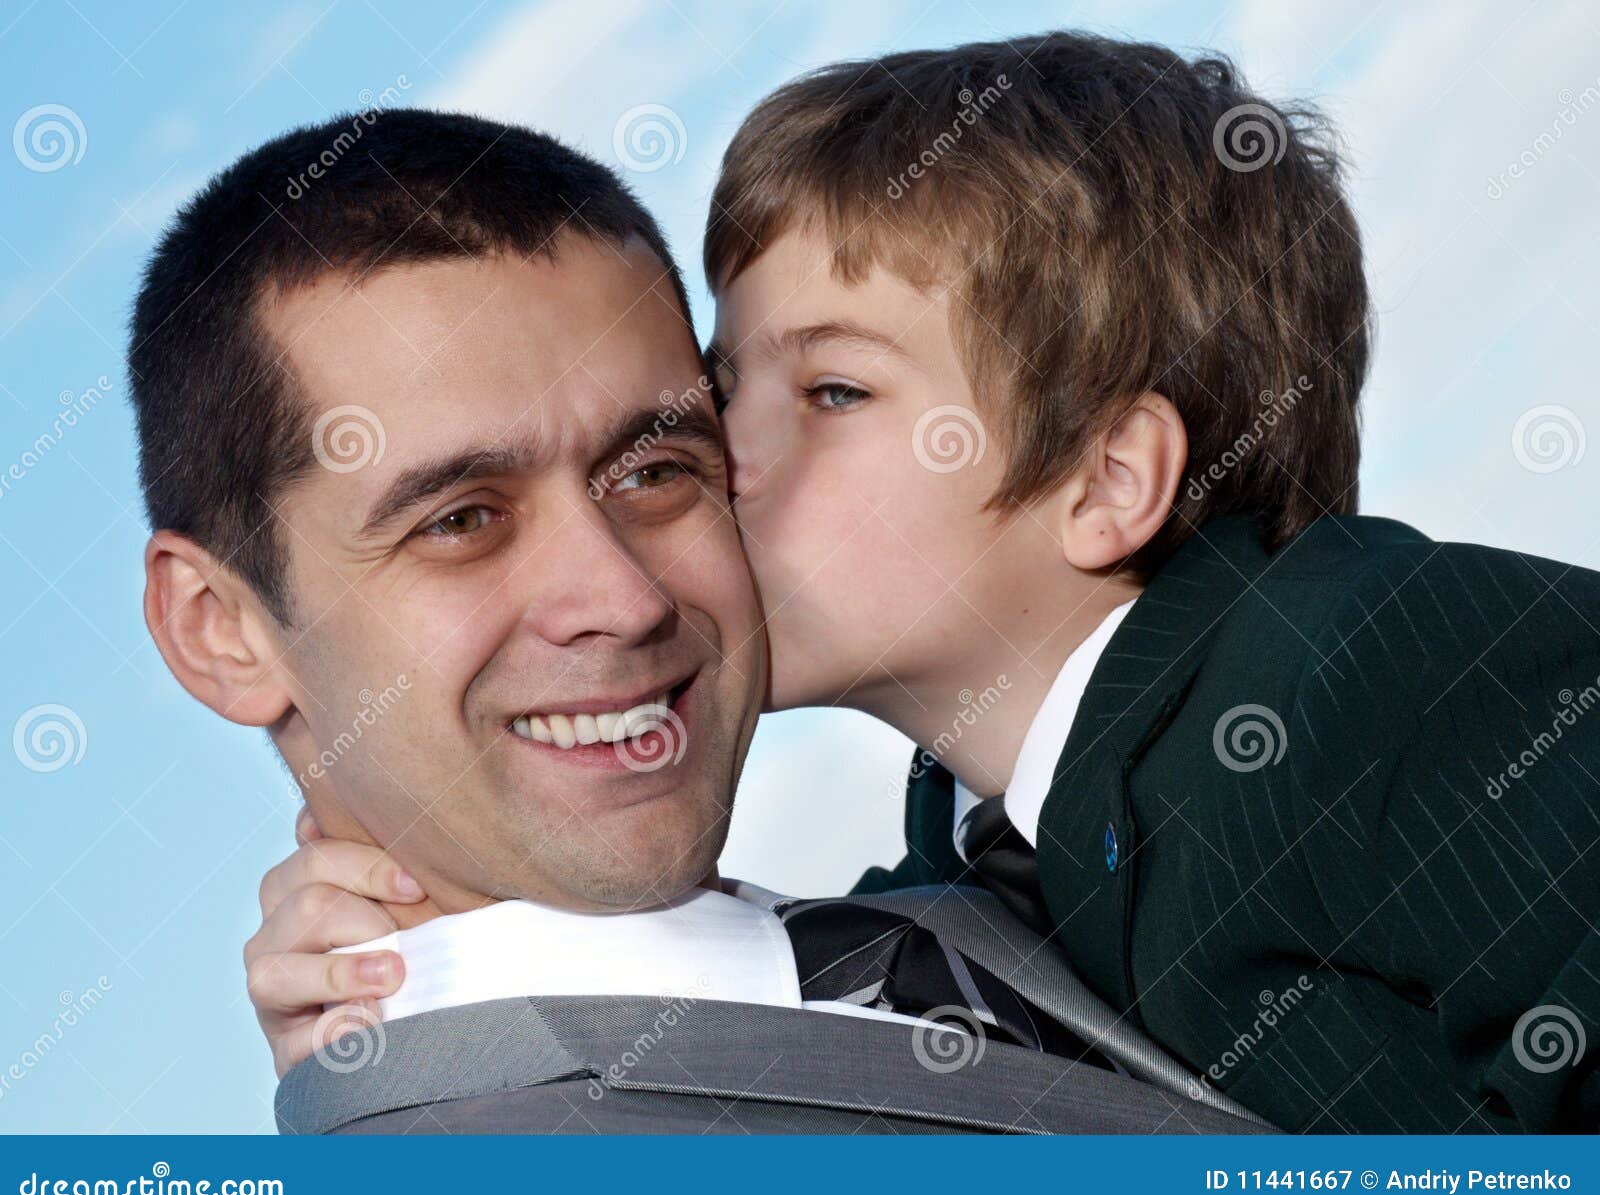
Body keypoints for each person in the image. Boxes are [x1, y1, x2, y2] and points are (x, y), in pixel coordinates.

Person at [257, 32, 1600, 1133]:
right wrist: (440, 941)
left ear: (1104, 480)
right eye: (725, 392)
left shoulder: (1364, 666)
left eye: (832, 390)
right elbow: (805, 1024)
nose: (724, 459)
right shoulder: (970, 854)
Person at [132, 108, 1259, 1134]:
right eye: (461, 519)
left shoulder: (985, 894)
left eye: (656, 469)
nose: (622, 598)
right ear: (219, 630)